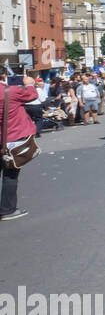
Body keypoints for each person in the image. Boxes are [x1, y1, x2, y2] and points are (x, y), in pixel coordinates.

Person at [1, 76, 39, 221]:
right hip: (10, 139)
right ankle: (7, 209)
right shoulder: (9, 91)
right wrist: (29, 83)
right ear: (4, 76)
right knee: (10, 175)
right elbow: (32, 94)